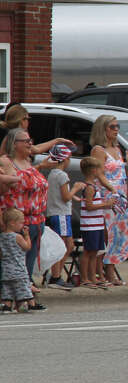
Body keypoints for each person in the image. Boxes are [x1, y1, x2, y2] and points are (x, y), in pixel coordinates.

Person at [89, 115, 128, 285]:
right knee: (106, 234)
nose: (116, 130)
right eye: (112, 127)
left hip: (120, 196)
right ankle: (99, 273)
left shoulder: (117, 150)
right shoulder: (98, 150)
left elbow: (124, 174)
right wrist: (110, 189)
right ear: (103, 129)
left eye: (118, 126)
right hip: (107, 195)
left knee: (119, 234)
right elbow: (99, 173)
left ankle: (111, 271)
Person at [1, 127, 50, 285]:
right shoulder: (6, 162)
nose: (30, 144)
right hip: (16, 222)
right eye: (26, 141)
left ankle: (26, 294)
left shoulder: (28, 162)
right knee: (15, 264)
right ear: (14, 144)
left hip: (36, 221)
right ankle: (14, 297)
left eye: (30, 140)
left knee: (28, 263)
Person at [43, 144, 79, 290]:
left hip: (56, 213)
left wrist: (72, 196)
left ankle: (54, 273)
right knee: (63, 245)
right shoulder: (62, 175)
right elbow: (65, 197)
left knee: (69, 245)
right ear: (65, 159)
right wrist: (76, 187)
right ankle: (55, 276)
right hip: (61, 214)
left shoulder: (52, 174)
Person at [78, 157, 114, 290]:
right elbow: (89, 206)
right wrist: (106, 204)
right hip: (90, 225)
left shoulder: (94, 186)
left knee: (95, 252)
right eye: (99, 169)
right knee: (88, 251)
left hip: (97, 223)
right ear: (94, 171)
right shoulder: (89, 188)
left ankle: (93, 276)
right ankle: (85, 278)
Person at [0, 208, 35, 313]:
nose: (22, 225)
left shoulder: (1, 236)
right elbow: (27, 247)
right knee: (22, 289)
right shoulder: (17, 237)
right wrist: (27, 236)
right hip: (18, 270)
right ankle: (24, 305)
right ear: (12, 223)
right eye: (21, 223)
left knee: (7, 290)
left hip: (5, 270)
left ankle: (6, 306)